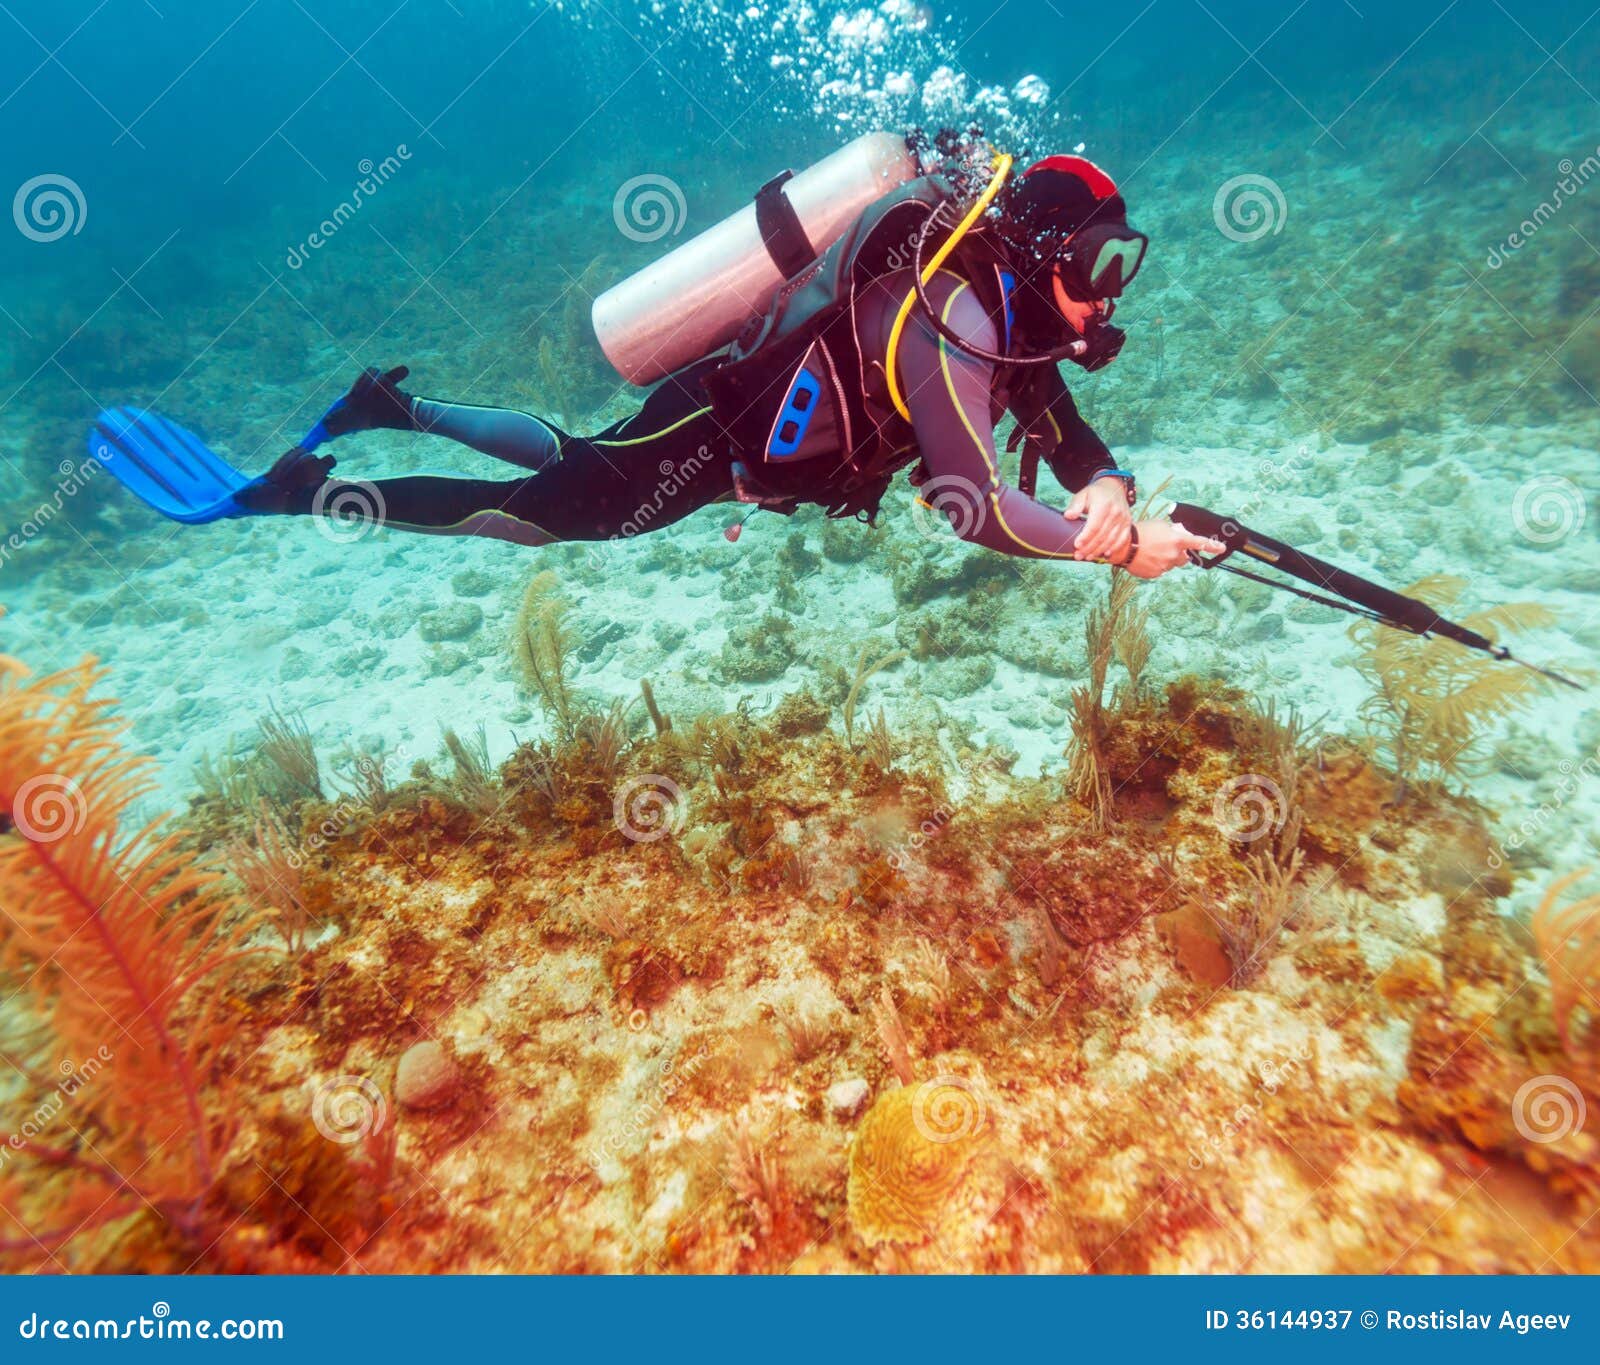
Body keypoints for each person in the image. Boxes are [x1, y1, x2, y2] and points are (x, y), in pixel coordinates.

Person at [237, 151, 1224, 578]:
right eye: (1101, 264)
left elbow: (1054, 419)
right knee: (546, 518)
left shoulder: (1009, 315)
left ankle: (391, 408)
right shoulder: (946, 309)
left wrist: (1105, 481)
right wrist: (1118, 546)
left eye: (1123, 265)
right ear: (1044, 250)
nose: (1110, 293)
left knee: (568, 458)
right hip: (708, 432)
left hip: (757, 452)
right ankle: (301, 495)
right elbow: (972, 504)